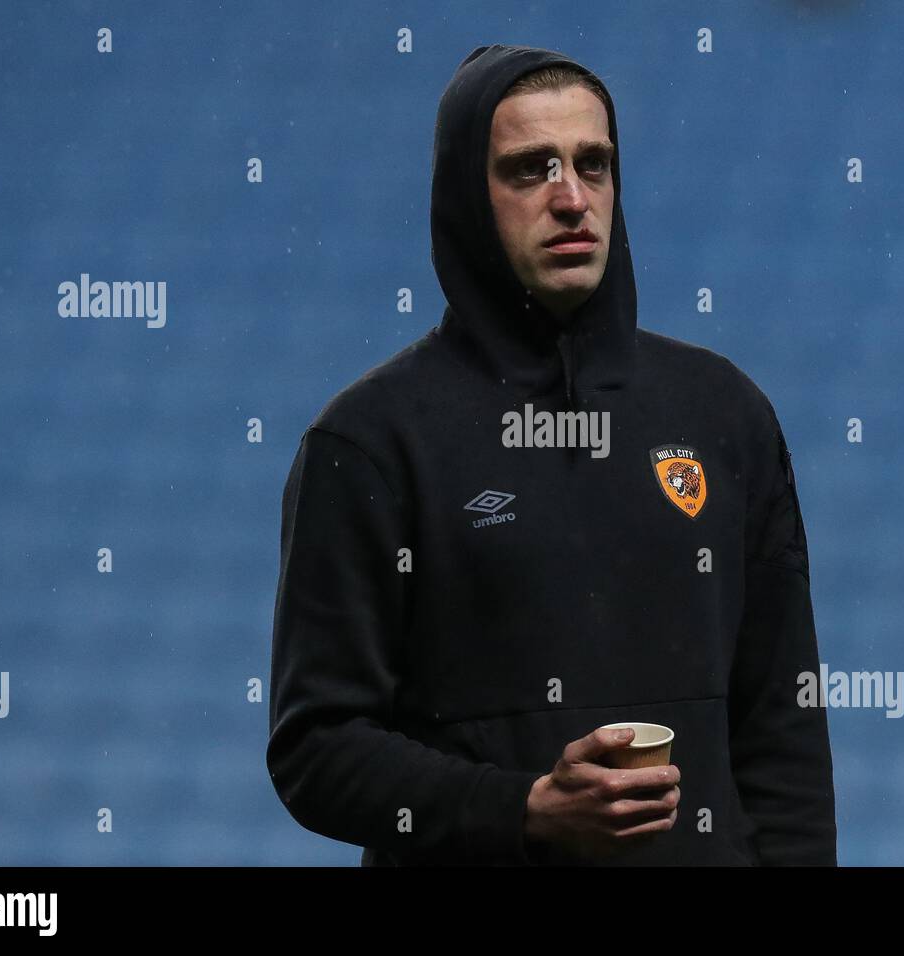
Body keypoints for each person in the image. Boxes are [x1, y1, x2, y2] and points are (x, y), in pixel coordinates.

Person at [266, 43, 837, 866]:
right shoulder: (370, 444)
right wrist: (522, 809)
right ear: (468, 196)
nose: (572, 199)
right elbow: (315, 748)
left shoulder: (723, 415)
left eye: (593, 164)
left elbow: (783, 728)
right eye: (531, 169)